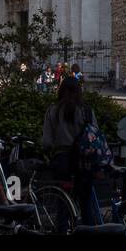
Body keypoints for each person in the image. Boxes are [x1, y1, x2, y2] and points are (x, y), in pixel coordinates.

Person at [41, 77, 101, 226]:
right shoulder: (86, 111)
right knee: (86, 204)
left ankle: (62, 229)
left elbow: (46, 142)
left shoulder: (53, 111)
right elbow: (95, 136)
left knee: (63, 205)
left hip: (62, 161)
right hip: (84, 162)